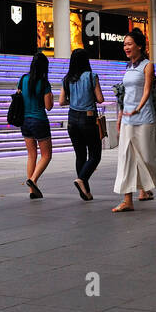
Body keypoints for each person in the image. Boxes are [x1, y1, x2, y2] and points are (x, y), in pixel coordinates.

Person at [113, 28, 156, 212]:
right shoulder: (128, 67)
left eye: (129, 44)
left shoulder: (147, 65)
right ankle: (127, 200)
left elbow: (149, 90)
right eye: (124, 44)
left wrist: (138, 108)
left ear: (139, 46)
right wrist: (121, 116)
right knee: (126, 157)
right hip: (128, 118)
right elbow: (125, 94)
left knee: (150, 157)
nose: (126, 47)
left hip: (144, 118)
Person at [59, 48, 106, 200]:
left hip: (72, 119)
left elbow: (61, 102)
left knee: (80, 155)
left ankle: (85, 191)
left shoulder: (67, 79)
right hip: (88, 118)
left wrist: (72, 101)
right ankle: (82, 179)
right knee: (95, 154)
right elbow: (100, 99)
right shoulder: (91, 76)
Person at [18, 52, 54, 198]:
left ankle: (32, 191)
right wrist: (51, 96)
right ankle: (33, 180)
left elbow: (19, 97)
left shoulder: (23, 79)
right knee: (47, 155)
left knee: (31, 155)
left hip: (25, 121)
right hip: (39, 121)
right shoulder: (44, 83)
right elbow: (48, 106)